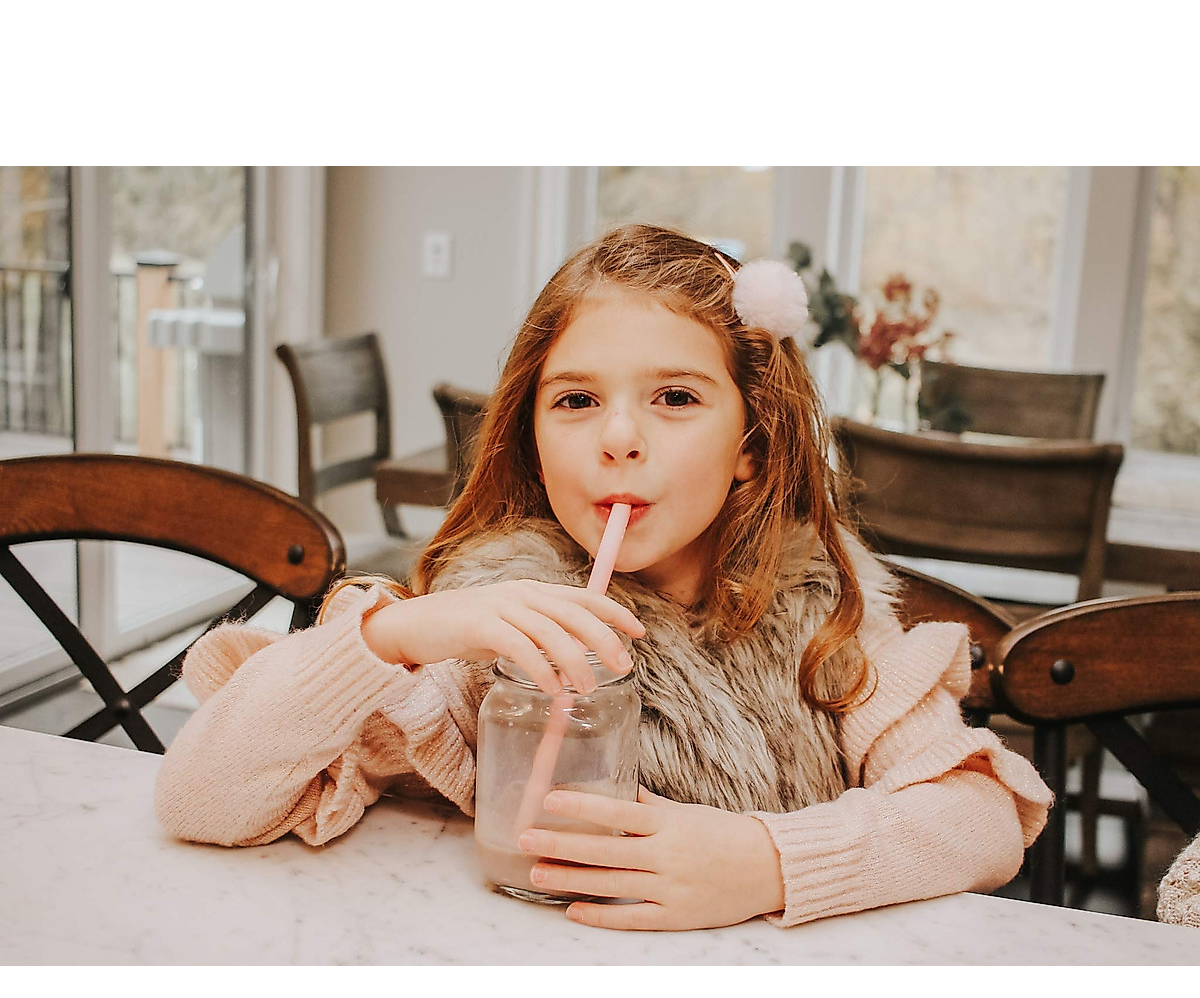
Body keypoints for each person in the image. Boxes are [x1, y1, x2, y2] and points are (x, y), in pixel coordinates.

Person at [155, 223, 1052, 932]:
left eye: (676, 397)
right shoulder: (492, 638)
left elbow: (980, 819)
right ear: (534, 440)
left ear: (751, 444)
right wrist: (395, 634)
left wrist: (768, 862)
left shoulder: (825, 620)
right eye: (577, 400)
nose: (619, 438)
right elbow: (202, 798)